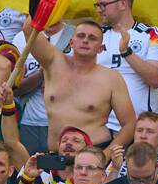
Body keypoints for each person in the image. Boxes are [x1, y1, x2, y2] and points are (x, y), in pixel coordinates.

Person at [25, 18, 136, 152]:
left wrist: (106, 155)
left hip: (94, 152)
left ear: (101, 48)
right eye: (81, 36)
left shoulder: (111, 78)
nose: (85, 40)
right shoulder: (53, 62)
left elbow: (129, 124)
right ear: (71, 42)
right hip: (56, 155)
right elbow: (28, 29)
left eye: (92, 38)